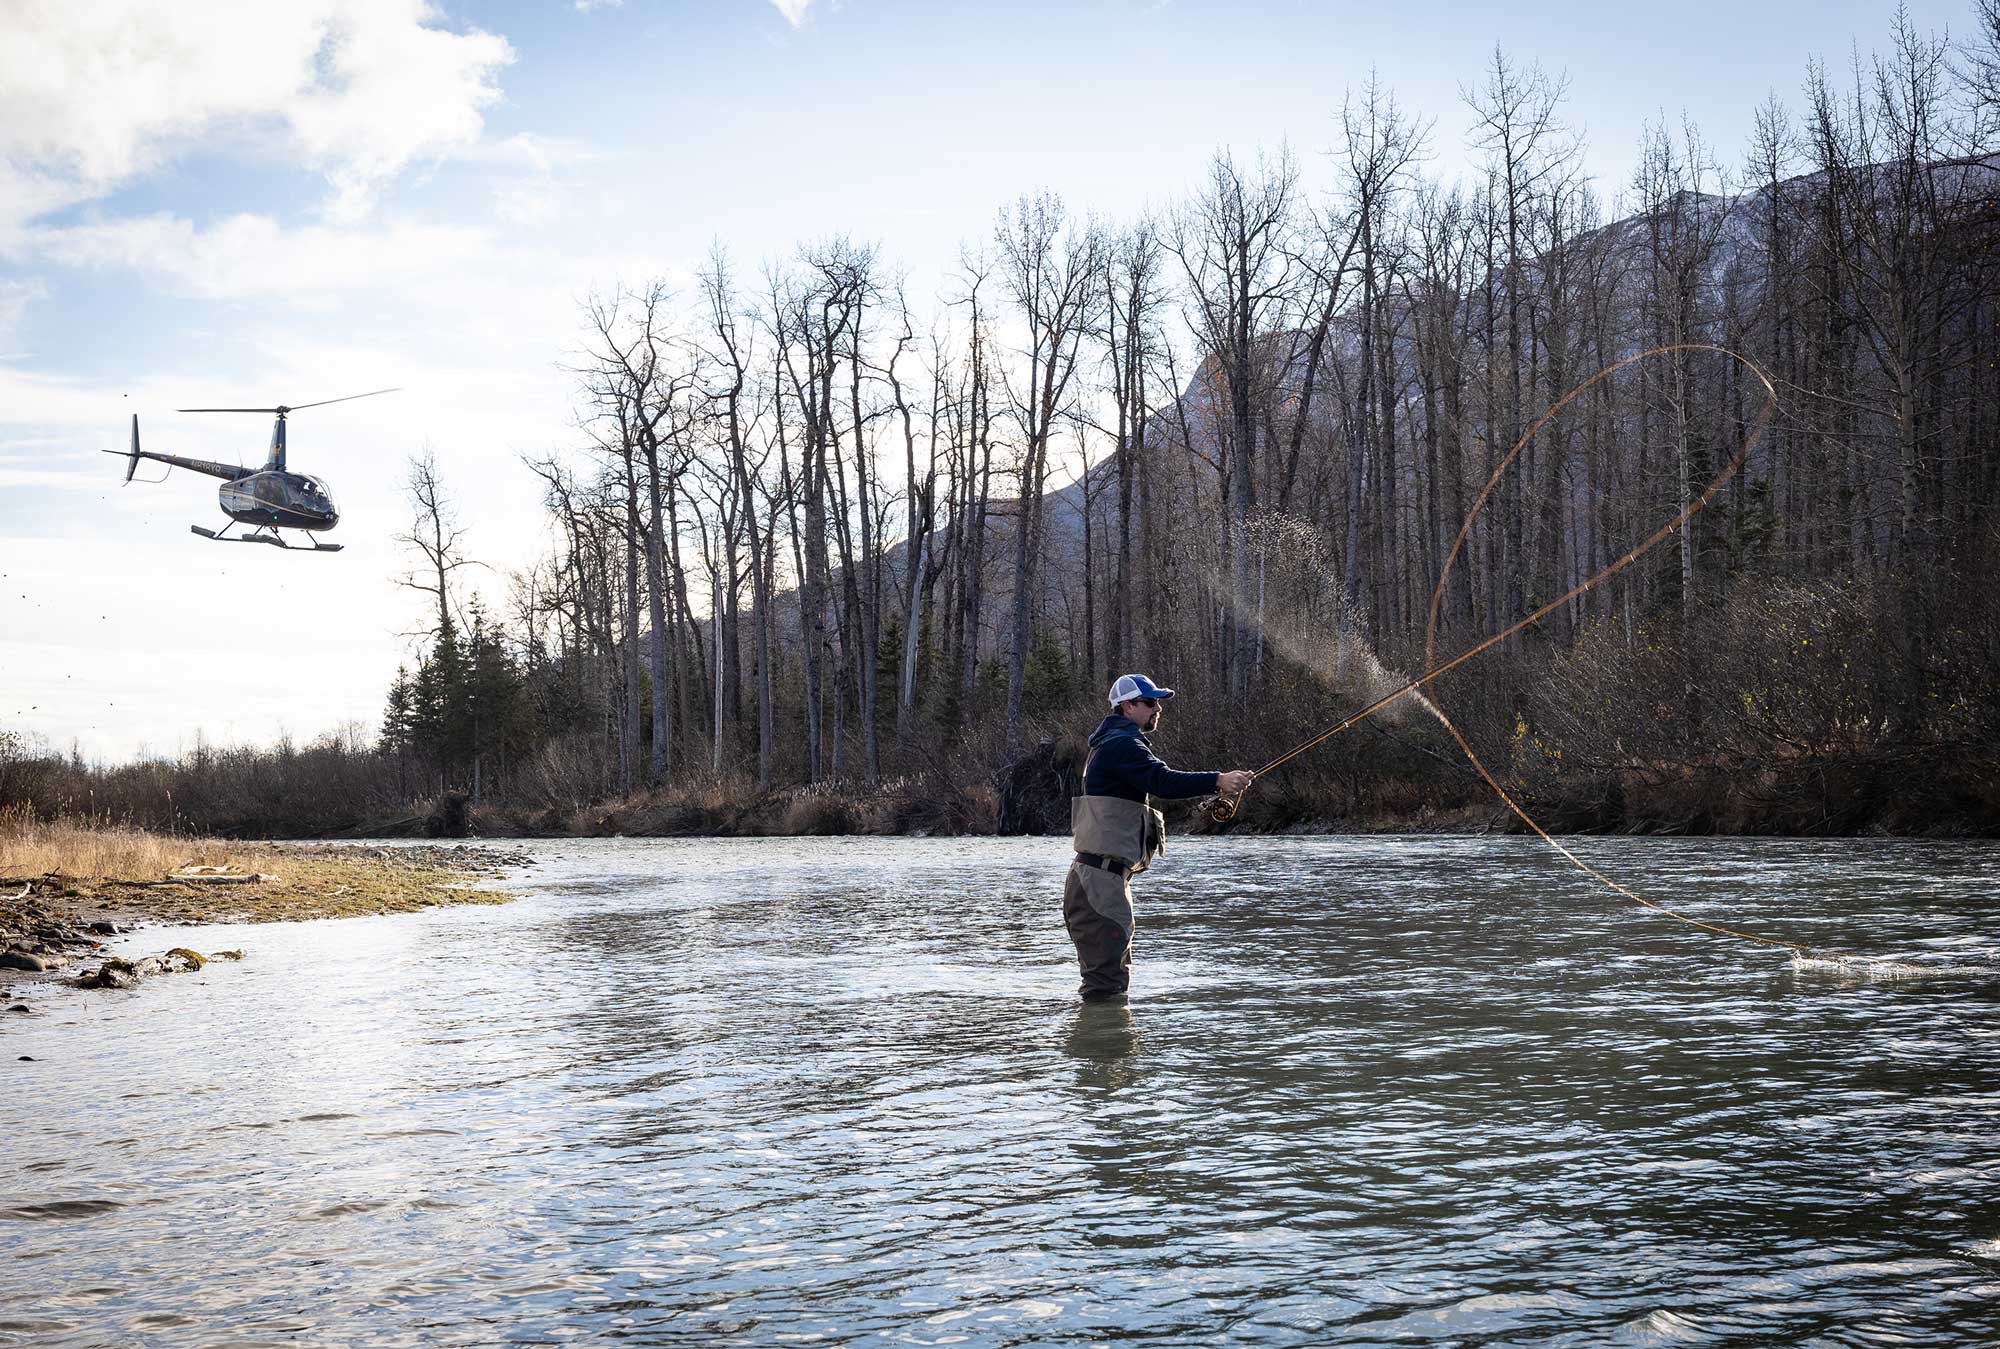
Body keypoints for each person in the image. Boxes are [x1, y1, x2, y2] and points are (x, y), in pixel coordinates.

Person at [1065, 673, 1253, 1002]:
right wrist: (1219, 780)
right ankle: (1101, 1052)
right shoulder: (1122, 745)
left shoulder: (1114, 743)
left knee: (1108, 984)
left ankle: (1105, 1050)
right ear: (1126, 706)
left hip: (1100, 881)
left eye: (1159, 702)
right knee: (1105, 989)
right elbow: (1162, 781)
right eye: (1150, 702)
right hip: (1100, 884)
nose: (1158, 709)